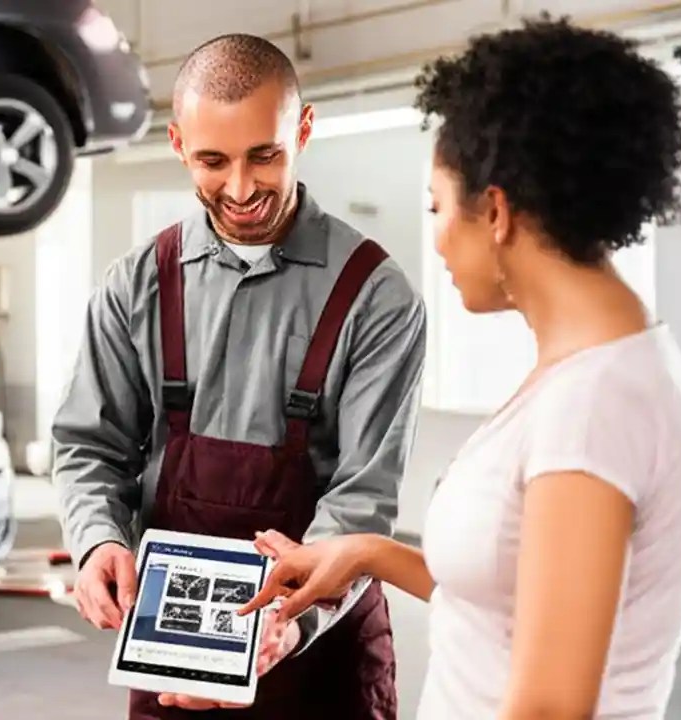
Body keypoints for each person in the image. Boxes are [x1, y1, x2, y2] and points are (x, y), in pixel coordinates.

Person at [239, 16, 681, 720]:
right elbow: (512, 593)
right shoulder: (598, 366)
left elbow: (549, 708)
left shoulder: (592, 405)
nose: (433, 238)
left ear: (494, 211)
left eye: (436, 206)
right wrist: (367, 552)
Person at [52, 33, 427, 720]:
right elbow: (88, 446)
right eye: (212, 160)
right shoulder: (136, 286)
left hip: (319, 648)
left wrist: (287, 621)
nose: (242, 188)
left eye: (265, 154)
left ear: (303, 130)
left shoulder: (376, 295)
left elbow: (364, 496)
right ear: (177, 143)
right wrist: (98, 540)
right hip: (175, 644)